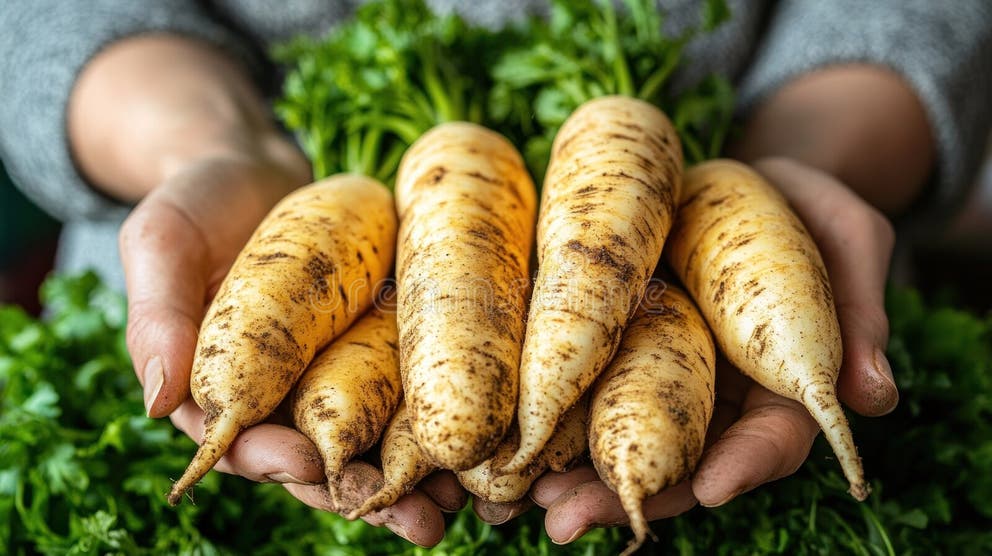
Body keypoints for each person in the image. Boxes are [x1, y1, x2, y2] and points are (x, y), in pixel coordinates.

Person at [1, 0, 990, 548]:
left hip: (704, 206)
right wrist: (197, 143)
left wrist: (814, 153)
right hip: (282, 216)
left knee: (593, 314)